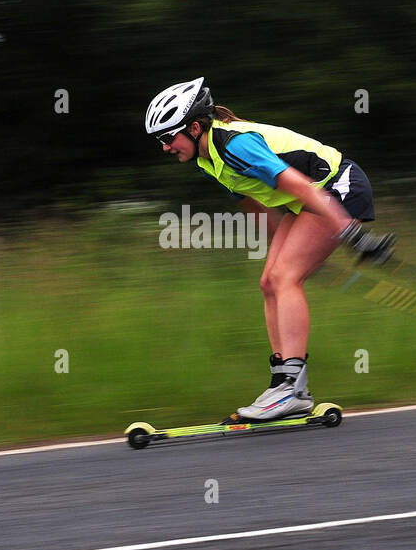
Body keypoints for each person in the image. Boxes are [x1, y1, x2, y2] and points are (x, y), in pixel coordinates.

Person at [145, 77, 395, 423]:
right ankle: (283, 384)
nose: (164, 147)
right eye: (160, 140)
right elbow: (254, 203)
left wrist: (351, 234)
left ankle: (292, 388)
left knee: (285, 277)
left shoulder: (235, 146)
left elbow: (300, 186)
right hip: (305, 202)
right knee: (270, 281)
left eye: (167, 138)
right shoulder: (208, 160)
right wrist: (294, 249)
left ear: (195, 126)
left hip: (335, 188)